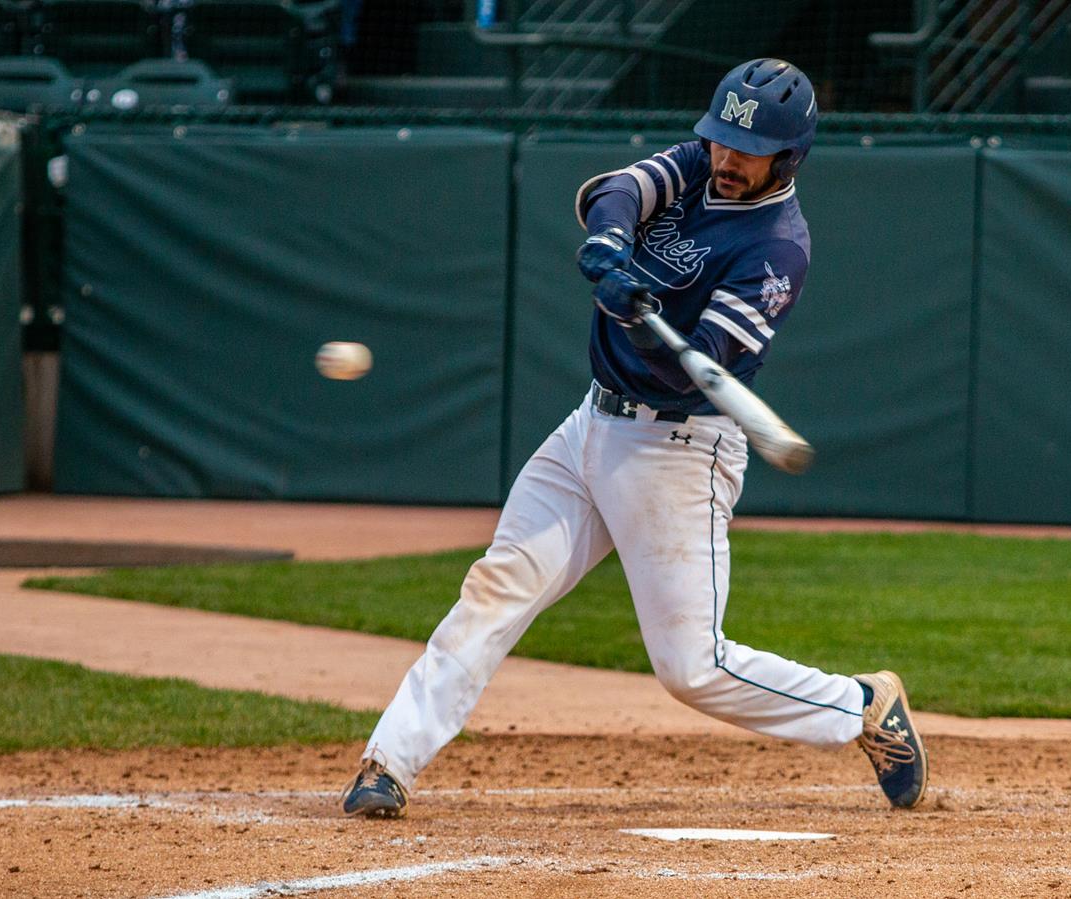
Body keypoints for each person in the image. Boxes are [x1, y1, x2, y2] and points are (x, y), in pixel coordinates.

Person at [342, 58, 928, 818]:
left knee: (692, 668)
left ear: (790, 156)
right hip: (591, 421)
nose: (726, 158)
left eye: (747, 151)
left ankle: (861, 707)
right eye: (721, 140)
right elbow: (613, 192)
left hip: (678, 451)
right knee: (497, 587)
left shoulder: (778, 250)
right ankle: (389, 763)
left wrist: (636, 315)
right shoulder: (698, 164)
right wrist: (612, 247)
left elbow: (696, 371)